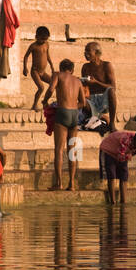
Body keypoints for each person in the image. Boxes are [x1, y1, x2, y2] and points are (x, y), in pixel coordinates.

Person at [45, 59, 88, 191]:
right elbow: (83, 103)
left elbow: (51, 89)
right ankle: (72, 184)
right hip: (74, 115)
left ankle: (59, 183)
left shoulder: (57, 75)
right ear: (72, 70)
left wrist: (45, 101)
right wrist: (73, 107)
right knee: (72, 150)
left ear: (61, 67)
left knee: (59, 149)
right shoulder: (78, 80)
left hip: (62, 113)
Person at [98, 128, 136, 205]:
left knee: (124, 176)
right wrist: (131, 155)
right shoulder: (126, 141)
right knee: (112, 176)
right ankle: (112, 202)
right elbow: (120, 157)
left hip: (122, 152)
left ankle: (123, 201)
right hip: (108, 150)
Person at [81, 41, 117, 131]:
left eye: (88, 51)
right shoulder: (85, 67)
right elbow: (85, 88)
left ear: (97, 53)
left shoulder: (106, 66)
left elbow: (113, 87)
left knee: (111, 91)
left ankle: (112, 123)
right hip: (90, 101)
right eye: (85, 51)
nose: (86, 54)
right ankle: (99, 117)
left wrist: (96, 82)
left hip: (104, 100)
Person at [22, 25, 54, 110]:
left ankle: (45, 101)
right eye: (42, 39)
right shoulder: (33, 46)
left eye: (45, 39)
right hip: (35, 71)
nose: (43, 41)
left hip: (43, 72)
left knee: (53, 83)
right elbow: (26, 56)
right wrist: (25, 68)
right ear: (36, 37)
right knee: (41, 87)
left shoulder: (46, 44)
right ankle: (34, 105)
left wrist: (52, 66)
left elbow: (48, 55)